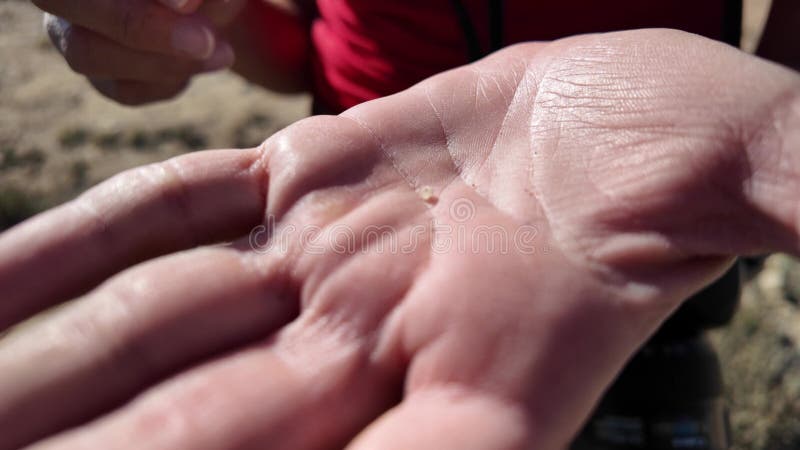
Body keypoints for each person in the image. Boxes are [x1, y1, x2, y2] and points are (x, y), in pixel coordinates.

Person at [1, 2, 798, 450]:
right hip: (357, 195)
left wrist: (768, 109)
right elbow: (304, 43)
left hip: (648, 242)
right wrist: (193, 32)